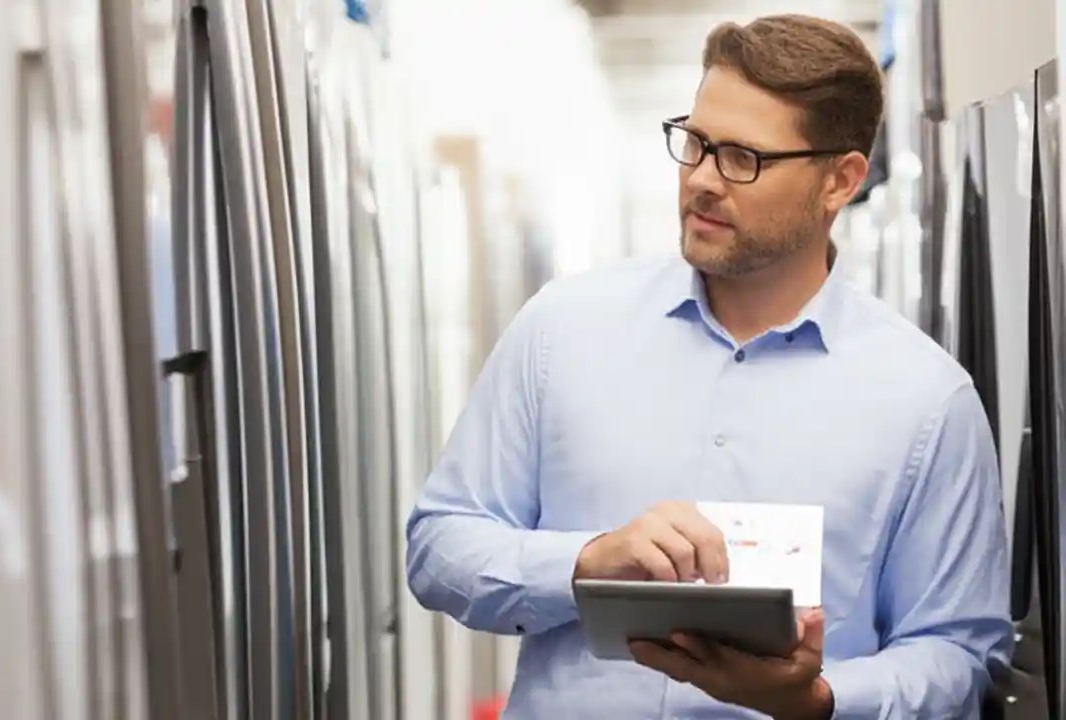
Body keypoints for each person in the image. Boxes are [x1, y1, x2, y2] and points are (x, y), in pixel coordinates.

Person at [404, 13, 1013, 719]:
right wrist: (585, 561)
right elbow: (439, 545)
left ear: (839, 181)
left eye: (743, 158)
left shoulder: (928, 402)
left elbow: (958, 653)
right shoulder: (561, 332)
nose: (701, 181)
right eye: (694, 143)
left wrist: (819, 698)